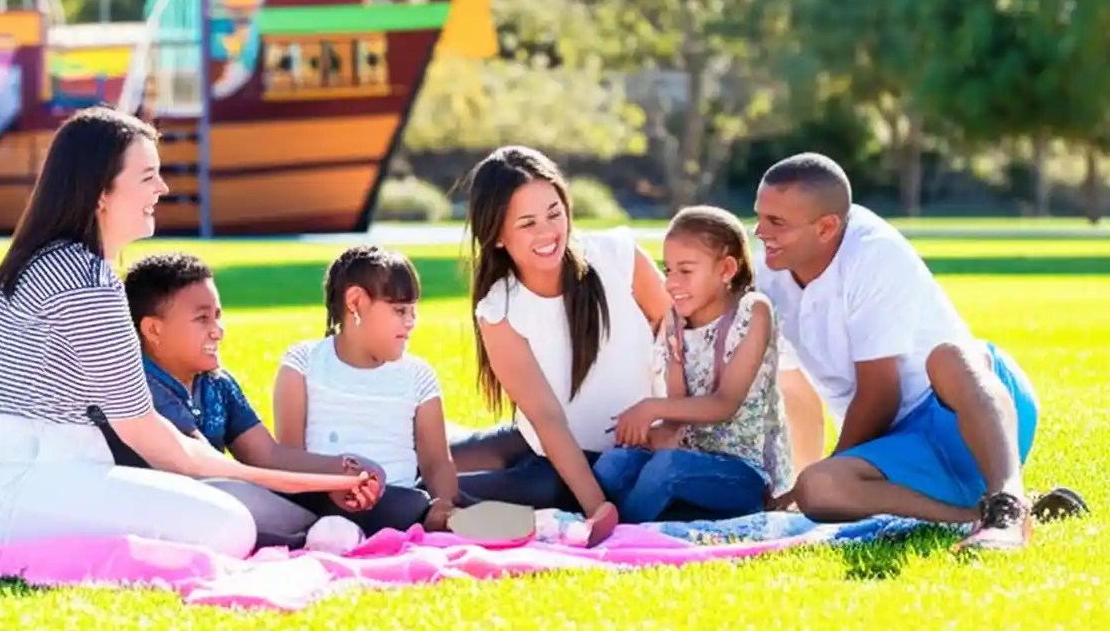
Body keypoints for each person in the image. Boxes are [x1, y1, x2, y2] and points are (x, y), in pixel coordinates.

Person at [0, 106, 371, 559]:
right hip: (13, 488)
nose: (162, 189)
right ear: (101, 192)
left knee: (224, 516)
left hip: (28, 481)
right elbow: (154, 439)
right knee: (227, 526)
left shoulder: (71, 266)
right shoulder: (79, 279)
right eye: (148, 177)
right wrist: (309, 483)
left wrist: (313, 482)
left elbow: (159, 439)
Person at [754, 152, 1085, 551]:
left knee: (950, 356)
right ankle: (980, 519)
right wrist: (805, 481)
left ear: (826, 227)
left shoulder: (874, 253)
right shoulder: (769, 271)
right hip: (898, 447)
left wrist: (837, 457)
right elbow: (794, 387)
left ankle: (1008, 501)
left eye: (776, 223)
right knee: (818, 488)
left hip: (972, 414)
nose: (760, 231)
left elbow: (881, 394)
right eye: (760, 216)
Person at [450, 145, 674, 545]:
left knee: (456, 495)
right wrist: (597, 507)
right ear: (497, 236)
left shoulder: (618, 256)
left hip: (580, 463)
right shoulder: (499, 309)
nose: (547, 232)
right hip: (544, 442)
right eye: (527, 223)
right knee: (424, 468)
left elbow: (676, 336)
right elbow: (546, 418)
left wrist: (667, 422)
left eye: (555, 213)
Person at [122, 251, 386, 548]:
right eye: (202, 319)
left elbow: (268, 455)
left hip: (232, 489)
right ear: (154, 330)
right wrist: (321, 486)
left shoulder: (217, 383)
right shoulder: (141, 386)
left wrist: (340, 470)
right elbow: (208, 467)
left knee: (394, 503)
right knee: (231, 494)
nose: (218, 331)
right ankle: (316, 535)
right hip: (175, 504)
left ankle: (352, 526)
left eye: (218, 316)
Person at [593, 205, 794, 523]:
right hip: (690, 458)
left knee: (666, 469)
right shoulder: (676, 318)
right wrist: (656, 433)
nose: (671, 283)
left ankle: (619, 533)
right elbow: (678, 406)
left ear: (726, 269)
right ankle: (666, 515)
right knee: (613, 466)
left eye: (685, 271)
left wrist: (651, 408)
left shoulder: (752, 312)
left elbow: (724, 404)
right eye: (668, 270)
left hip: (746, 474)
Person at [271, 245, 464, 537]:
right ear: (356, 302)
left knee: (412, 503)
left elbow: (436, 461)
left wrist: (444, 504)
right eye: (400, 310)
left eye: (414, 310)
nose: (411, 322)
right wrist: (334, 485)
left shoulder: (418, 376)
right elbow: (290, 457)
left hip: (397, 501)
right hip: (322, 498)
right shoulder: (304, 363)